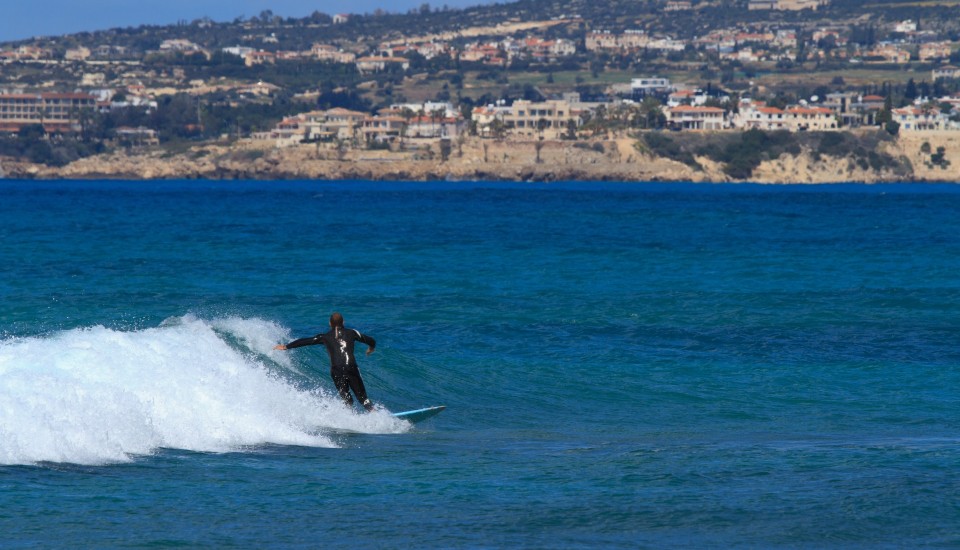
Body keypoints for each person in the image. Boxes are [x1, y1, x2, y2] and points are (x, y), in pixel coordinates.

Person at [274, 312, 377, 411]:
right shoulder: (352, 333)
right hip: (351, 367)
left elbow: (305, 341)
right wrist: (371, 348)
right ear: (343, 322)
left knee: (347, 399)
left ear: (330, 323)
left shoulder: (324, 337)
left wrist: (285, 346)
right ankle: (376, 416)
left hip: (336, 370)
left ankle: (349, 420)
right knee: (363, 399)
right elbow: (371, 340)